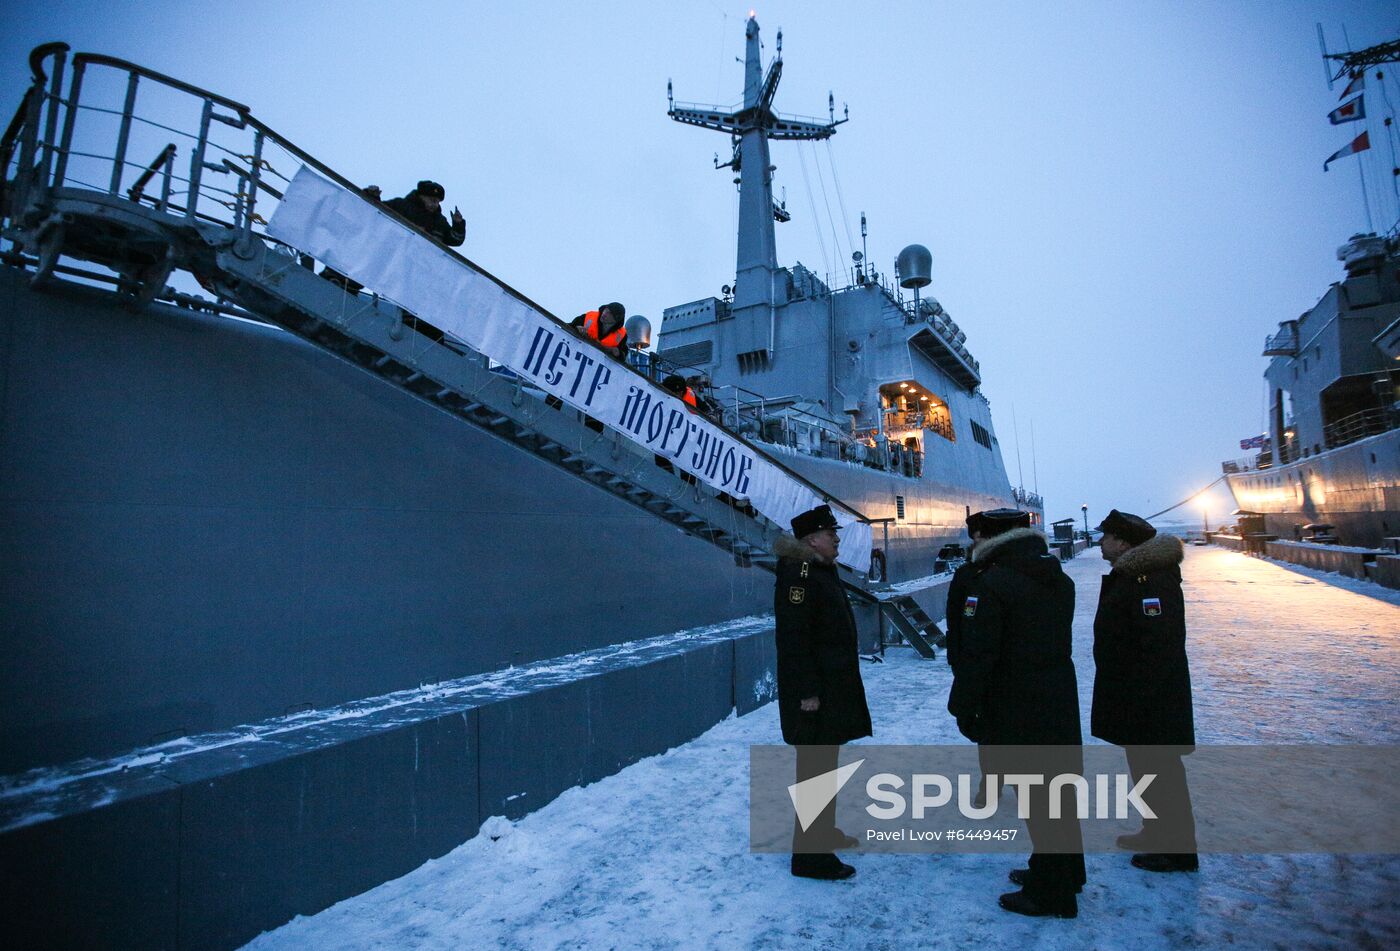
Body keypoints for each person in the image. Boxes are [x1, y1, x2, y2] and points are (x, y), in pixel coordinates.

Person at [947, 508, 1086, 918]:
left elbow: (980, 654)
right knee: (1055, 797)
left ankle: (1051, 895)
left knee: (1036, 800)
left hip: (1014, 705)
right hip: (1055, 699)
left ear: (990, 539)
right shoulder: (1056, 576)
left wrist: (964, 705)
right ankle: (1063, 872)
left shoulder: (994, 582)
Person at [1091, 509, 1198, 873]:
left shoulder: (1148, 582)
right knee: (1147, 770)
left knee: (1161, 770)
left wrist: (1141, 696)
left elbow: (1160, 644)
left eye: (1107, 537)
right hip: (1138, 693)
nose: (1101, 542)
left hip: (1152, 697)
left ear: (1123, 542)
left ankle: (1179, 849)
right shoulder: (1135, 577)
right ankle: (1156, 831)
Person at [774, 504, 872, 881]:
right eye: (831, 534)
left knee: (825, 767)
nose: (837, 539)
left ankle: (823, 834)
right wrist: (808, 692)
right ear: (812, 539)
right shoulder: (800, 575)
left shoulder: (818, 570)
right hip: (815, 694)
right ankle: (811, 858)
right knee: (816, 771)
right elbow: (794, 639)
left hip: (831, 689)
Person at [384, 180, 465, 247]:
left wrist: (458, 224)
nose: (435, 204)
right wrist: (374, 196)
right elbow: (376, 215)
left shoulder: (439, 221)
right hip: (392, 253)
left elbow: (455, 240)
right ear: (420, 196)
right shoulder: (400, 205)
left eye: (437, 201)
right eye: (432, 199)